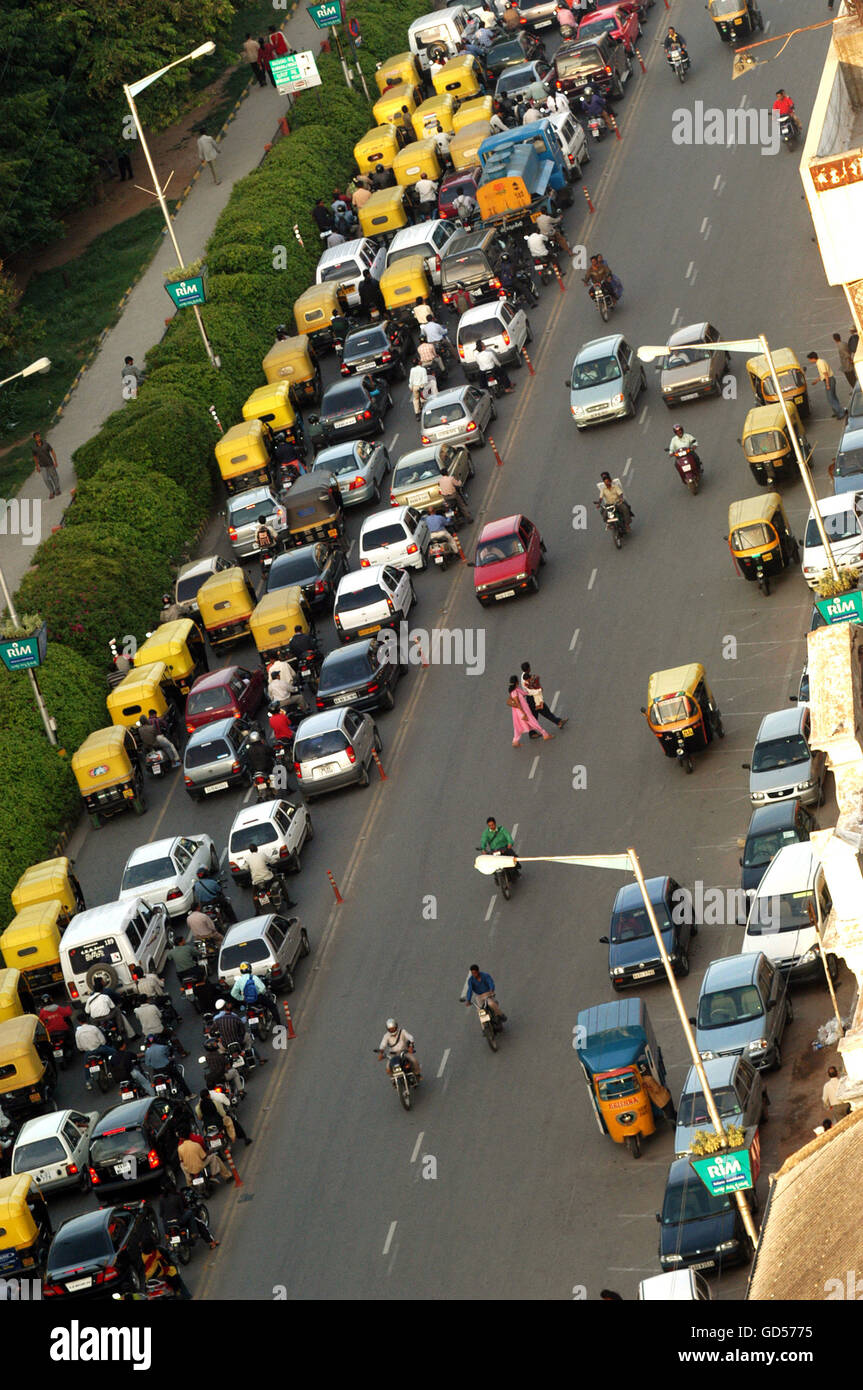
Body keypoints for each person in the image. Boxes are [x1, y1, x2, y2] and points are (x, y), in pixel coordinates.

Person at [245, 842, 297, 908]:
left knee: (254, 895)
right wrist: (275, 861)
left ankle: (257, 911)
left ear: (250, 850)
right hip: (267, 878)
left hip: (256, 881)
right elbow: (271, 861)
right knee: (281, 882)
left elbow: (245, 867)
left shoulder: (248, 858)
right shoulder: (262, 855)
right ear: (257, 848)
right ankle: (288, 903)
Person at [230, 962, 281, 1027]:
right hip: (258, 998)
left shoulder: (239, 981)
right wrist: (260, 993)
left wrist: (242, 998)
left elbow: (233, 993)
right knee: (272, 1006)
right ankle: (279, 1025)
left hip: (248, 1001)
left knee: (247, 1012)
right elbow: (262, 988)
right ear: (249, 968)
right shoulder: (253, 977)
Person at [520, 661, 567, 729]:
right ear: (528, 669)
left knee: (534, 715)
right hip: (534, 698)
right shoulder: (527, 679)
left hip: (529, 699)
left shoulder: (523, 676)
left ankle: (532, 732)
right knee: (545, 711)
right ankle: (559, 722)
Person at [508, 674, 552, 745]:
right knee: (533, 722)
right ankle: (545, 734)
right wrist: (524, 713)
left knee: (518, 726)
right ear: (516, 682)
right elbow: (518, 703)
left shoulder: (516, 689)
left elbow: (525, 693)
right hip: (523, 711)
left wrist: (533, 687)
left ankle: (515, 741)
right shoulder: (514, 692)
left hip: (522, 710)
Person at [31, 431, 61, 497]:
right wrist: (37, 466)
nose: (38, 438)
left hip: (50, 463)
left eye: (38, 436)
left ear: (40, 436)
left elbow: (52, 451)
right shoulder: (34, 448)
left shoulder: (46, 444)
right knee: (46, 479)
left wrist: (55, 461)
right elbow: (35, 457)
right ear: (34, 438)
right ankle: (51, 491)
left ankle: (57, 489)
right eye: (36, 437)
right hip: (42, 466)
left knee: (54, 477)